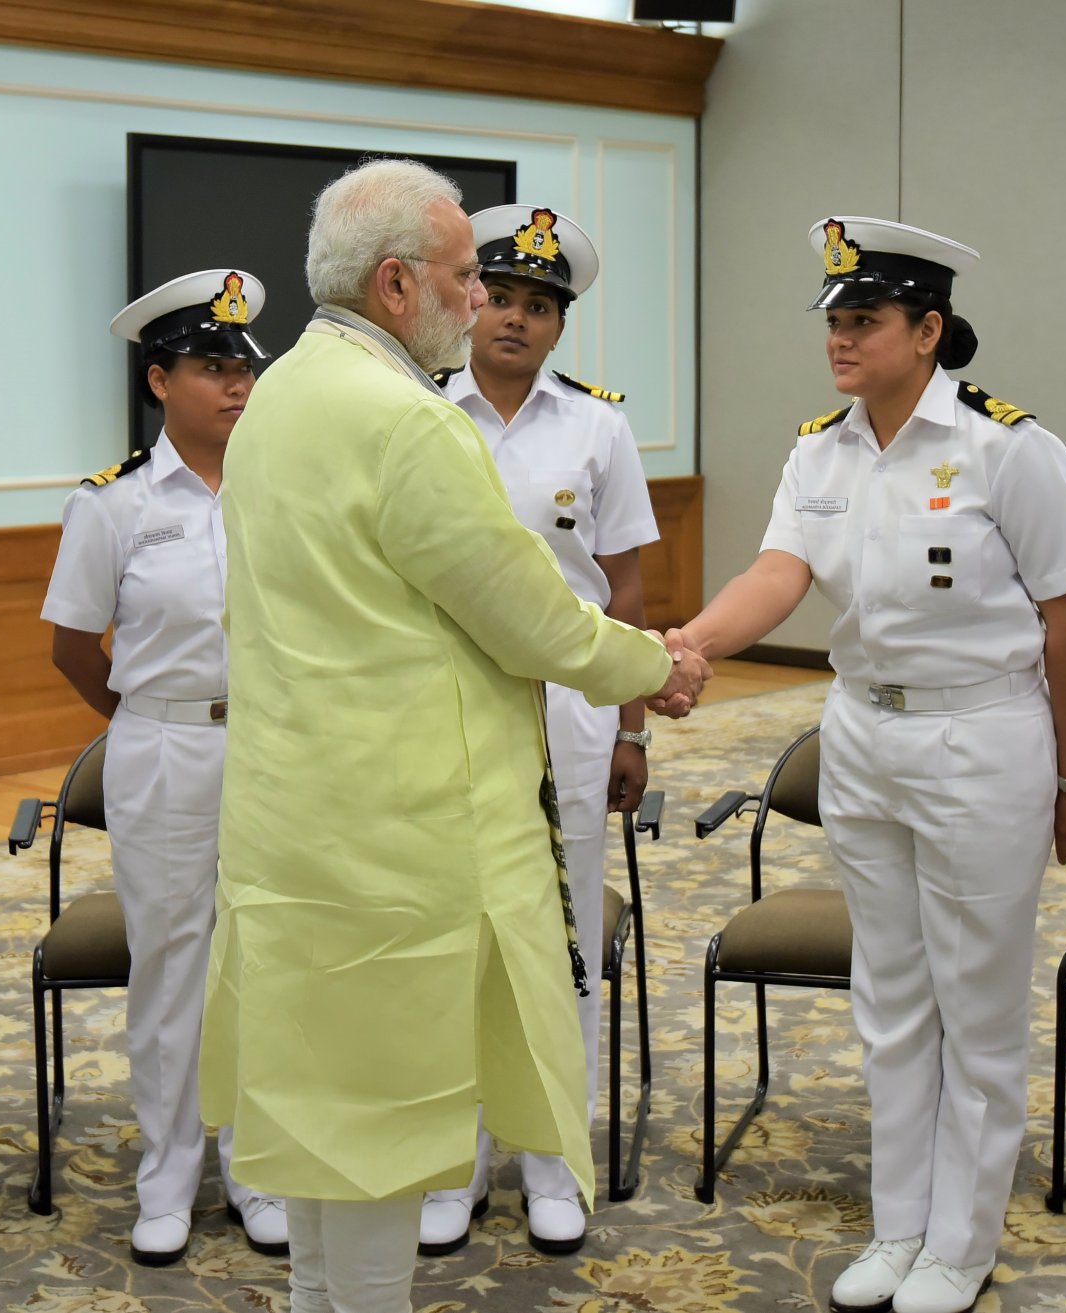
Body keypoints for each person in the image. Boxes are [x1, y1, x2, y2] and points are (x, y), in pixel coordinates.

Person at [198, 157, 708, 1313]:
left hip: (293, 823)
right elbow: (528, 614)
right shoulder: (407, 422)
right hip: (400, 834)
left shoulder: (275, 393)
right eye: (464, 275)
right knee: (380, 1112)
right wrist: (655, 665)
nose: (480, 299)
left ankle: (320, 1299)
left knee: (326, 1101)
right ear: (393, 285)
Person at [670, 217, 1066, 1313]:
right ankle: (897, 1222)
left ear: (927, 329)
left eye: (861, 319)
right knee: (891, 996)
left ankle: (959, 1239)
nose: (838, 339)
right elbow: (780, 570)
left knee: (977, 999)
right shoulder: (820, 448)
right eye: (832, 320)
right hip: (863, 733)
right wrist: (692, 642)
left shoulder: (1008, 449)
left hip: (982, 738)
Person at [427, 204, 656, 1256]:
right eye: (501, 296)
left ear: (560, 324)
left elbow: (627, 588)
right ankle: (452, 1157)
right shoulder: (417, 409)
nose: (516, 319)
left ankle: (553, 1157)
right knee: (454, 928)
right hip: (441, 701)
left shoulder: (596, 426)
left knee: (561, 937)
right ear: (466, 299)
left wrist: (630, 729)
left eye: (540, 305)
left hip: (566, 707)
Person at [43, 269, 284, 1265]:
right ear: (159, 380)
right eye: (211, 367)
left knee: (267, 957)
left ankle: (261, 1168)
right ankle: (170, 1173)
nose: (235, 386)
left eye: (244, 368)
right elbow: (70, 645)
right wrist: (149, 718)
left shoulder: (286, 491)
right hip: (164, 746)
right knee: (174, 963)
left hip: (276, 747)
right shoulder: (115, 504)